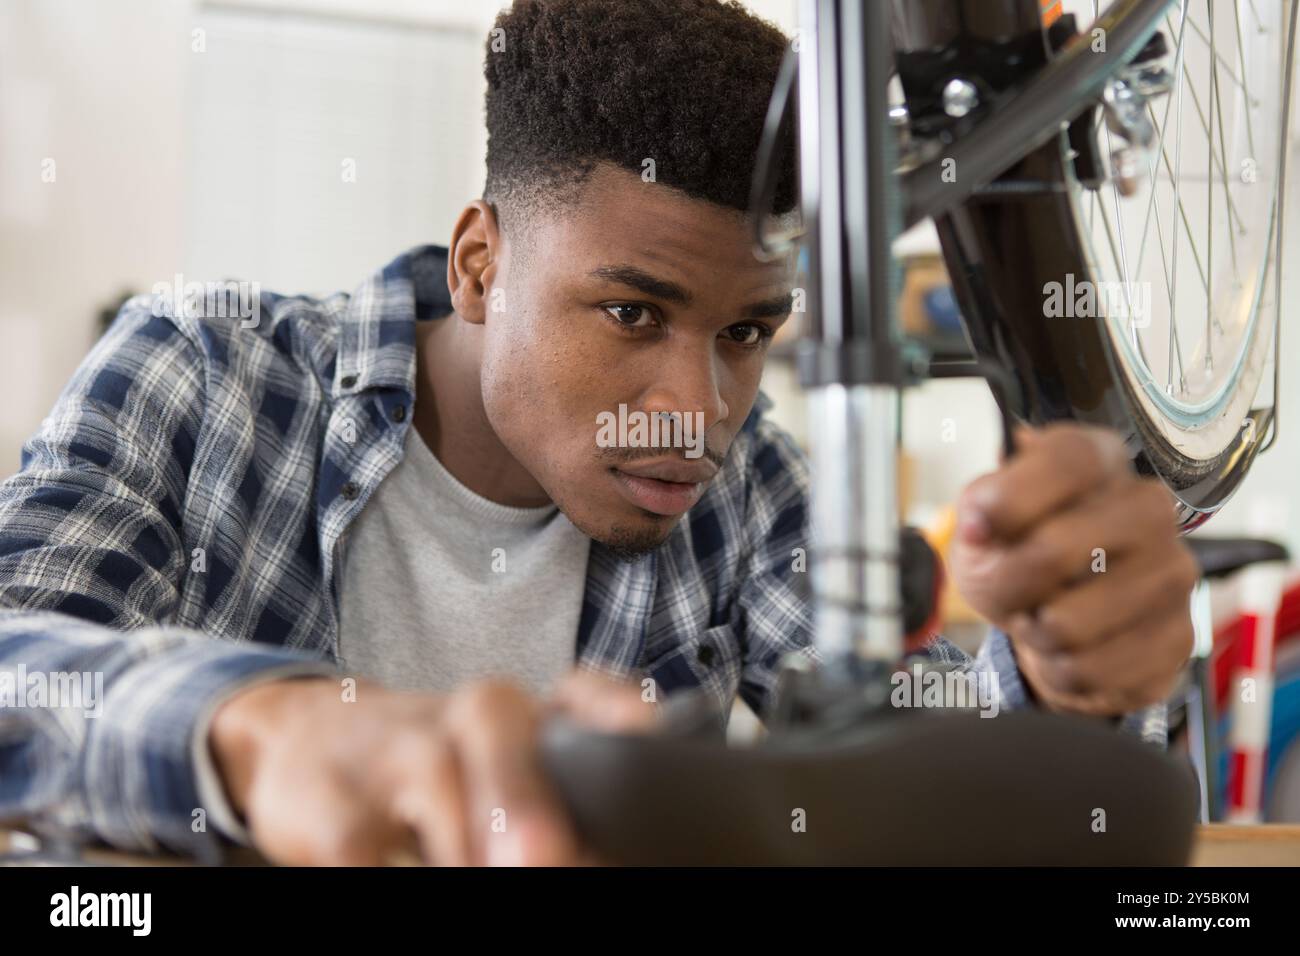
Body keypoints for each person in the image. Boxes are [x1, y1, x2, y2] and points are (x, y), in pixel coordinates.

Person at [0, 0, 1196, 866]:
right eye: (632, 311)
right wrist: (257, 730)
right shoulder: (200, 370)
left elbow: (908, 769)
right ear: (481, 263)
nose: (697, 410)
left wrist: (1064, 679)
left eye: (747, 331)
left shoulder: (753, 483)